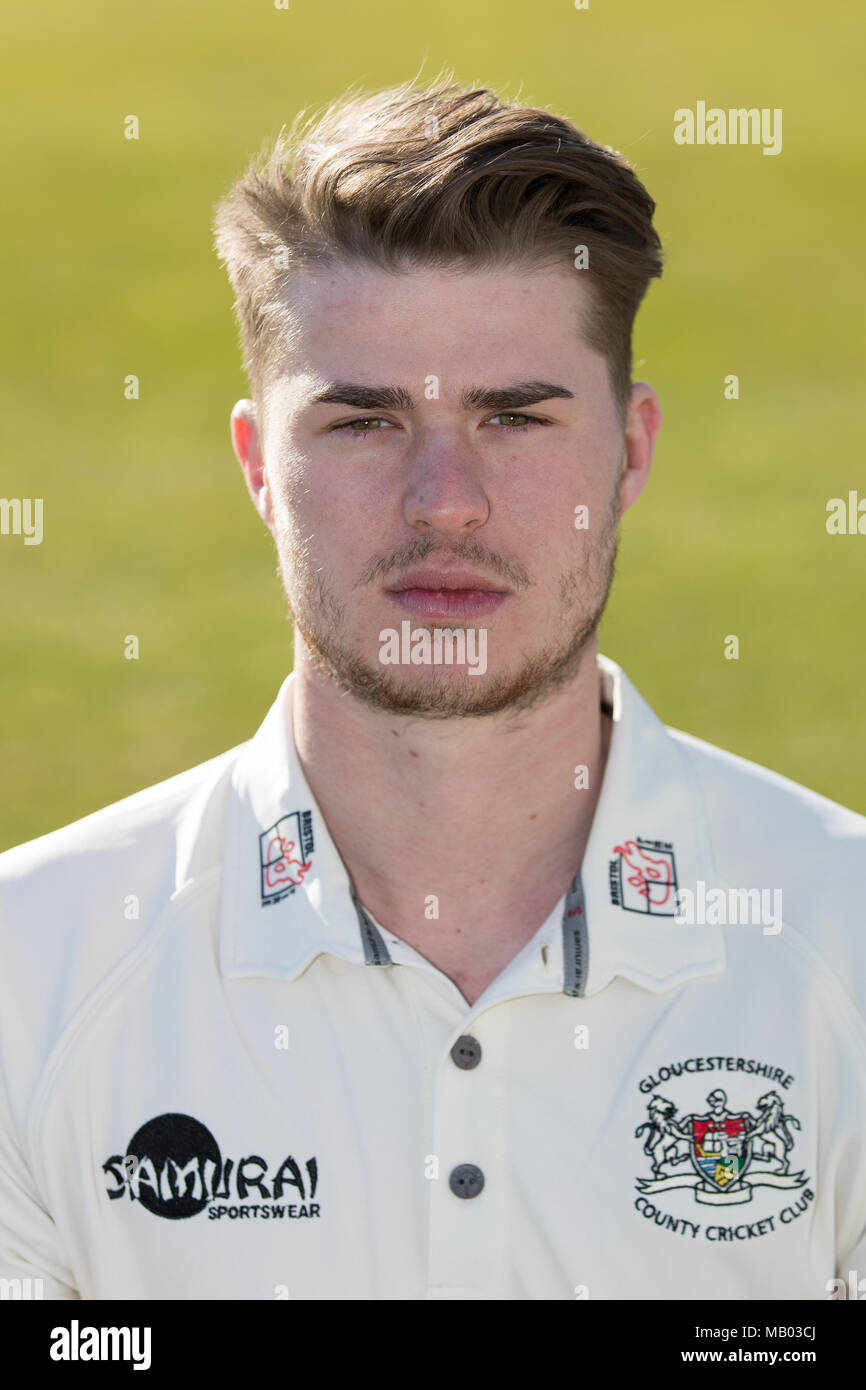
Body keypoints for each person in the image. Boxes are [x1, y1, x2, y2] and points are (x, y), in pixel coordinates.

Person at [0, 77, 863, 1302]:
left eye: (514, 418)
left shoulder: (846, 940)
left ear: (629, 451)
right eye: (362, 422)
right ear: (257, 464)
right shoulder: (25, 971)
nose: (443, 501)